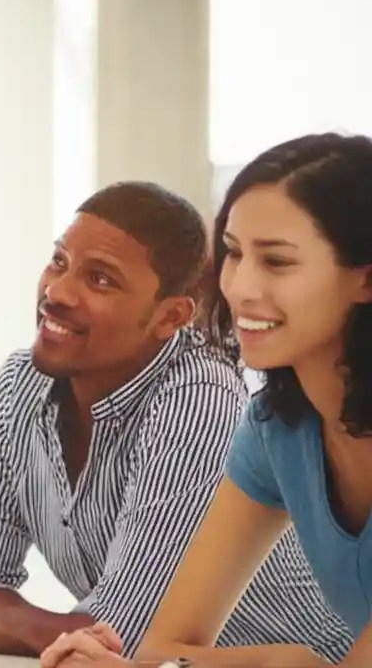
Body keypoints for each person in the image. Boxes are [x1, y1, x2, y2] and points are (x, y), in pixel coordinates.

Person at [0, 181, 351, 662]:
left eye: (100, 279)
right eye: (59, 261)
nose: (57, 292)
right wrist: (61, 636)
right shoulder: (17, 387)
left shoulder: (200, 398)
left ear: (171, 317)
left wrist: (37, 628)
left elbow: (127, 634)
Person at [41, 133, 372, 667]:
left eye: (277, 262)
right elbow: (164, 648)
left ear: (365, 280)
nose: (239, 288)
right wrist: (280, 663)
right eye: (234, 253)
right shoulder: (277, 431)